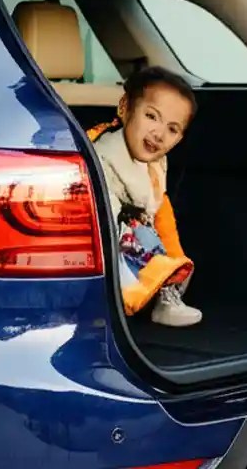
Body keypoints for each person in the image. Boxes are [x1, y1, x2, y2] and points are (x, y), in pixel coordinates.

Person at [87, 66, 202, 327]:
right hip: (106, 240)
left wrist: (175, 258)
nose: (159, 134)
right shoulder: (101, 157)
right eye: (151, 116)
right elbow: (102, 213)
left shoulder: (155, 166)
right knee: (133, 234)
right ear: (125, 108)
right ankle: (119, 295)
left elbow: (162, 213)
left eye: (172, 130)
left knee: (155, 234)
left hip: (136, 238)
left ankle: (163, 291)